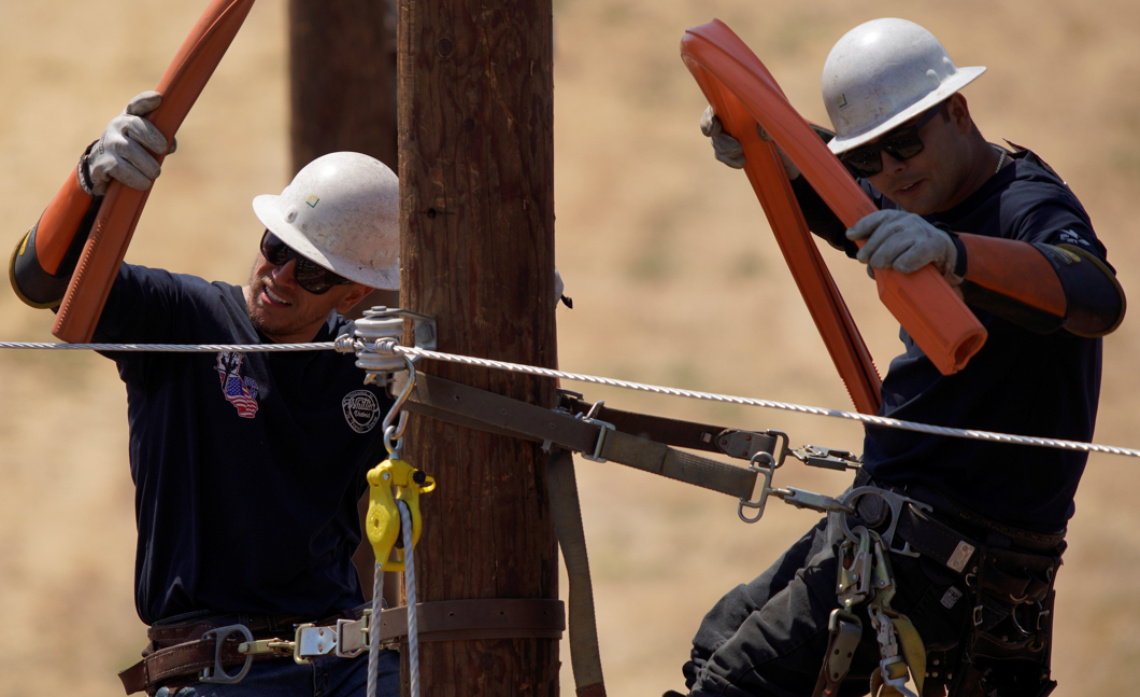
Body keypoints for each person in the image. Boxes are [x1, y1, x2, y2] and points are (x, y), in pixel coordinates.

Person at [681, 18, 1125, 697]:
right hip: (889, 523)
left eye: (907, 143)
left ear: (958, 111)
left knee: (735, 686)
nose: (892, 171)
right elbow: (857, 206)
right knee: (714, 647)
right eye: (869, 159)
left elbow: (1096, 295)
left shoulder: (1026, 205)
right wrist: (777, 145)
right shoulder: (920, 191)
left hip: (950, 555)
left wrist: (957, 255)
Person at [10, 91, 402, 696]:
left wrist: (487, 318)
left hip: (350, 664)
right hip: (222, 670)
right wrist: (90, 179)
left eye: (314, 273)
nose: (281, 278)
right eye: (277, 249)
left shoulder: (368, 368)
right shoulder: (182, 318)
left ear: (351, 295)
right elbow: (41, 279)